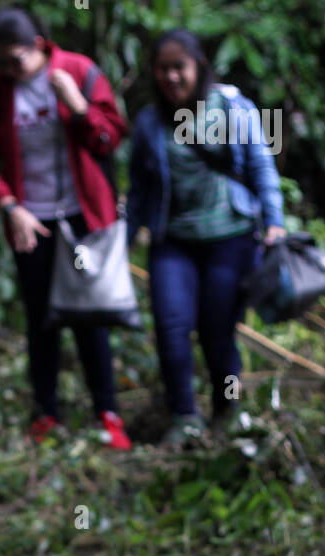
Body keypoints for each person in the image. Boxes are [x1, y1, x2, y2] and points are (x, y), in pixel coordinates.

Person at [0, 7, 132, 449]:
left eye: (14, 60)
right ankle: (46, 416)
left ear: (38, 46)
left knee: (90, 317)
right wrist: (10, 206)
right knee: (41, 320)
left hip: (83, 217)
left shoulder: (79, 71)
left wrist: (78, 106)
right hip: (31, 221)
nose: (8, 69)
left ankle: (107, 415)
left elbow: (110, 137)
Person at [126, 29, 286, 447]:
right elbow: (140, 190)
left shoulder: (232, 107)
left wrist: (274, 221)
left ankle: (226, 411)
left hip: (229, 239)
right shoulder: (148, 122)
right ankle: (185, 418)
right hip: (172, 242)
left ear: (198, 68)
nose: (172, 77)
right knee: (171, 326)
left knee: (218, 331)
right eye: (163, 69)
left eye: (179, 67)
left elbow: (260, 166)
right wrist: (121, 241)